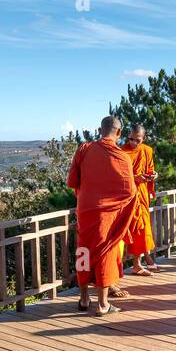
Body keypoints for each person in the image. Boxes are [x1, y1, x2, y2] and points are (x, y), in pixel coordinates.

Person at [66, 116, 138, 317]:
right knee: (105, 252)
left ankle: (83, 299)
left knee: (83, 252)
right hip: (107, 214)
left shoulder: (84, 149)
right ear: (119, 133)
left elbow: (72, 181)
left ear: (100, 129)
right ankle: (103, 304)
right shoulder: (122, 157)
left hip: (85, 210)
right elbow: (130, 191)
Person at [121, 125, 160, 276]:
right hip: (125, 196)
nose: (133, 143)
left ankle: (137, 264)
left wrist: (153, 175)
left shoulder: (147, 150)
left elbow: (149, 168)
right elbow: (118, 175)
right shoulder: (121, 151)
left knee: (141, 228)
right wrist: (134, 178)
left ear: (143, 139)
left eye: (137, 140)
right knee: (123, 232)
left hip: (141, 194)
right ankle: (117, 268)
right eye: (130, 139)